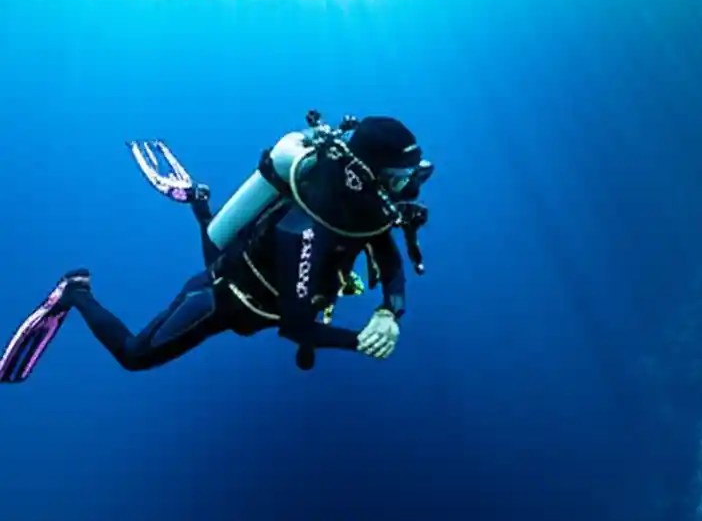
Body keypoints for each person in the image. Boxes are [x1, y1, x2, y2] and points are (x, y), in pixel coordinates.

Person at [0, 112, 433, 382]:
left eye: (411, 178)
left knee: (222, 249)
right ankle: (76, 291)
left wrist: (388, 313)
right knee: (134, 357)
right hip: (222, 301)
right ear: (362, 175)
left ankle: (200, 203)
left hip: (256, 279)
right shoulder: (302, 230)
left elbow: (387, 255)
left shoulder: (362, 209)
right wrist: (361, 341)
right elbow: (297, 327)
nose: (406, 191)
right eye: (398, 180)